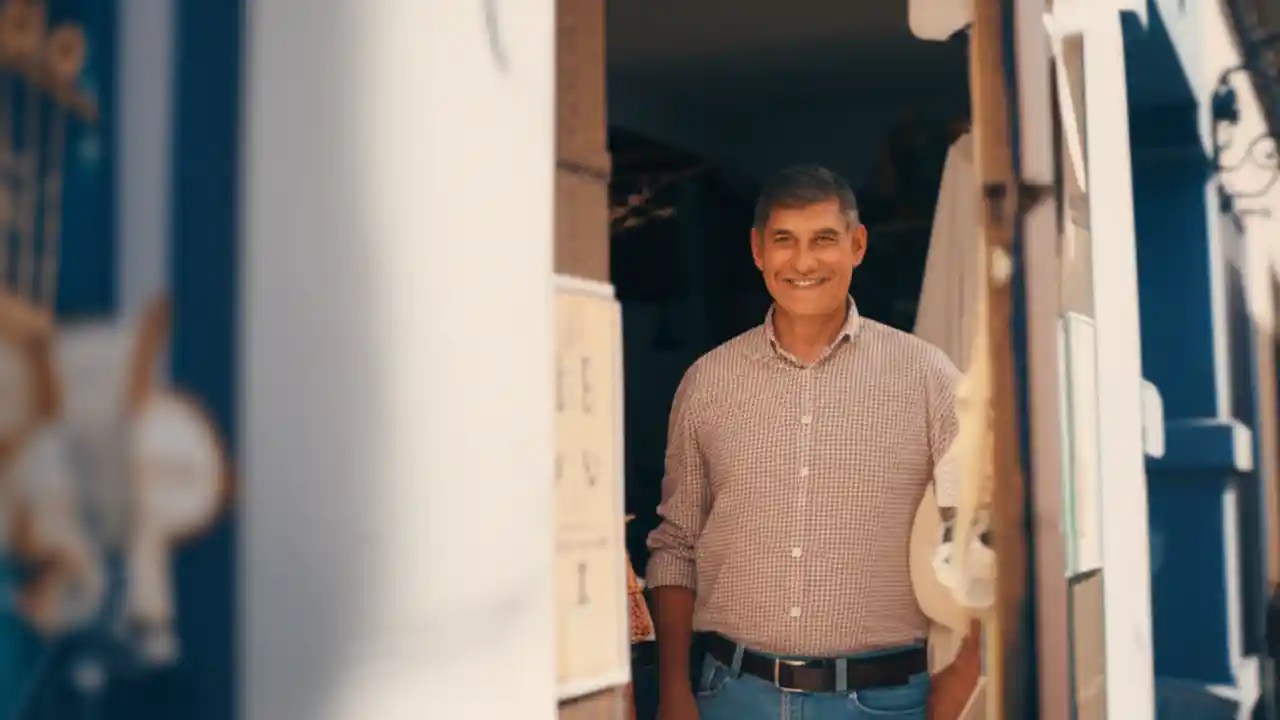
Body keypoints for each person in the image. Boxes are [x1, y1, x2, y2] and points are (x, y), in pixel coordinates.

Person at [645, 164, 973, 720]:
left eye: (824, 239)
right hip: (733, 695)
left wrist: (967, 673)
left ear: (857, 245)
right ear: (757, 250)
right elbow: (677, 545)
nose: (802, 262)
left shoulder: (928, 377)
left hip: (883, 702)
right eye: (784, 241)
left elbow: (983, 534)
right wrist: (674, 689)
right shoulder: (708, 381)